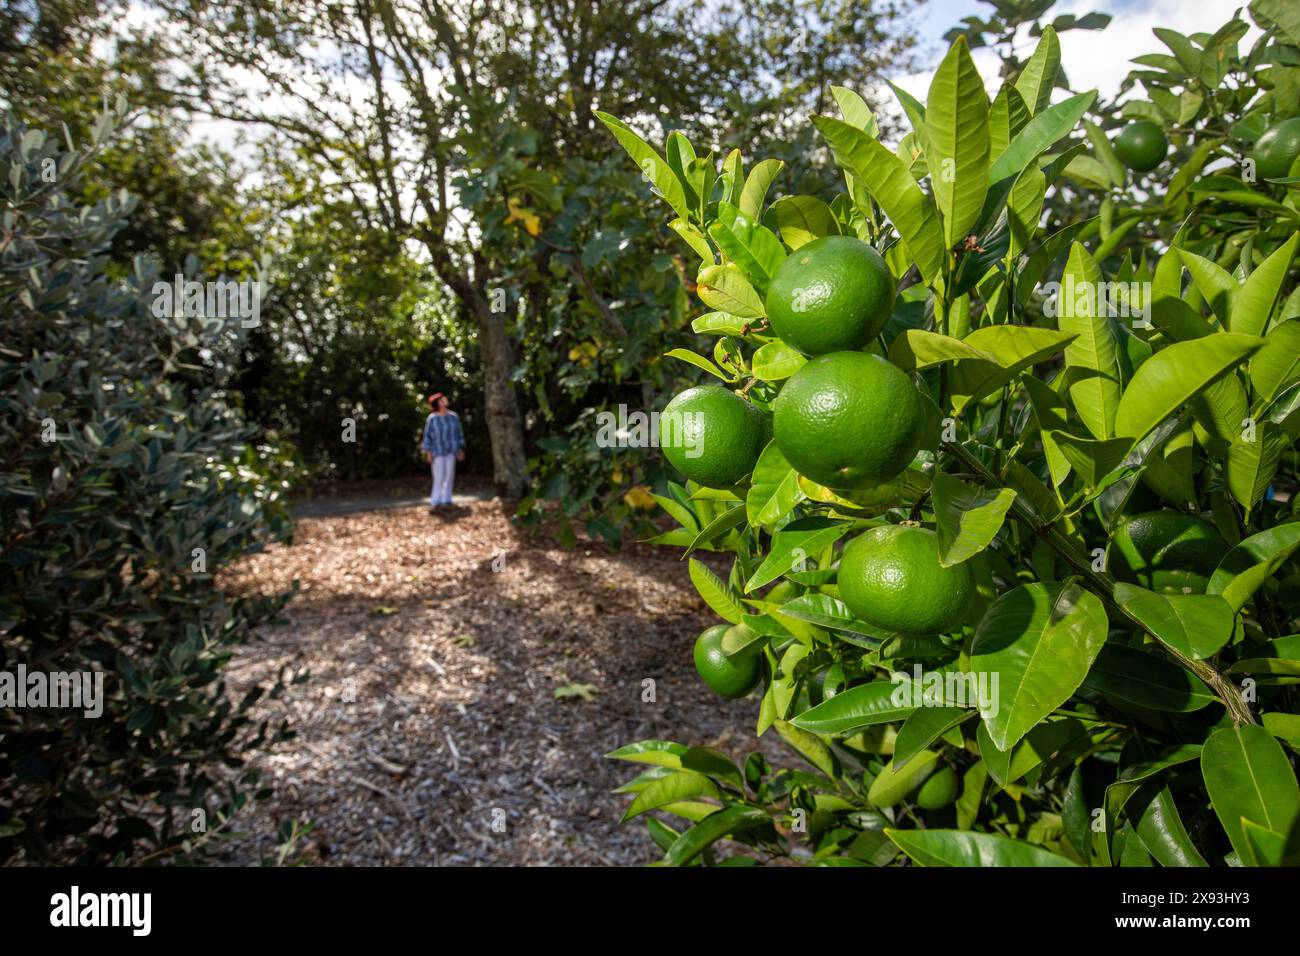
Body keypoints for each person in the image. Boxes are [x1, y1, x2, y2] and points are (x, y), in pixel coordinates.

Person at [420, 392, 465, 510]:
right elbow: (428, 436)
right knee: (438, 477)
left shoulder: (453, 417)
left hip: (451, 450)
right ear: (437, 403)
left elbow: (459, 433)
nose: (444, 401)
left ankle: (447, 499)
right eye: (441, 400)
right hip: (437, 452)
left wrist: (460, 449)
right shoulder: (432, 418)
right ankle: (435, 501)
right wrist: (428, 452)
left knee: (449, 476)